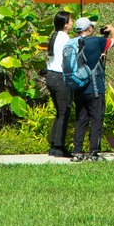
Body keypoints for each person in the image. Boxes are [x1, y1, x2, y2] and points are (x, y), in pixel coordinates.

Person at [68, 15, 114, 160]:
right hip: (95, 89)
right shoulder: (97, 41)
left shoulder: (70, 43)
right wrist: (112, 29)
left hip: (77, 87)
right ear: (89, 28)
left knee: (81, 119)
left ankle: (77, 152)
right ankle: (93, 152)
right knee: (96, 120)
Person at [43, 11, 77, 158]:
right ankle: (59, 146)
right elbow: (68, 60)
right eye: (71, 20)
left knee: (59, 112)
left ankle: (55, 145)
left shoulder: (55, 35)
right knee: (64, 112)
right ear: (65, 24)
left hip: (51, 76)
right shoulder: (64, 38)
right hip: (60, 77)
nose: (72, 22)